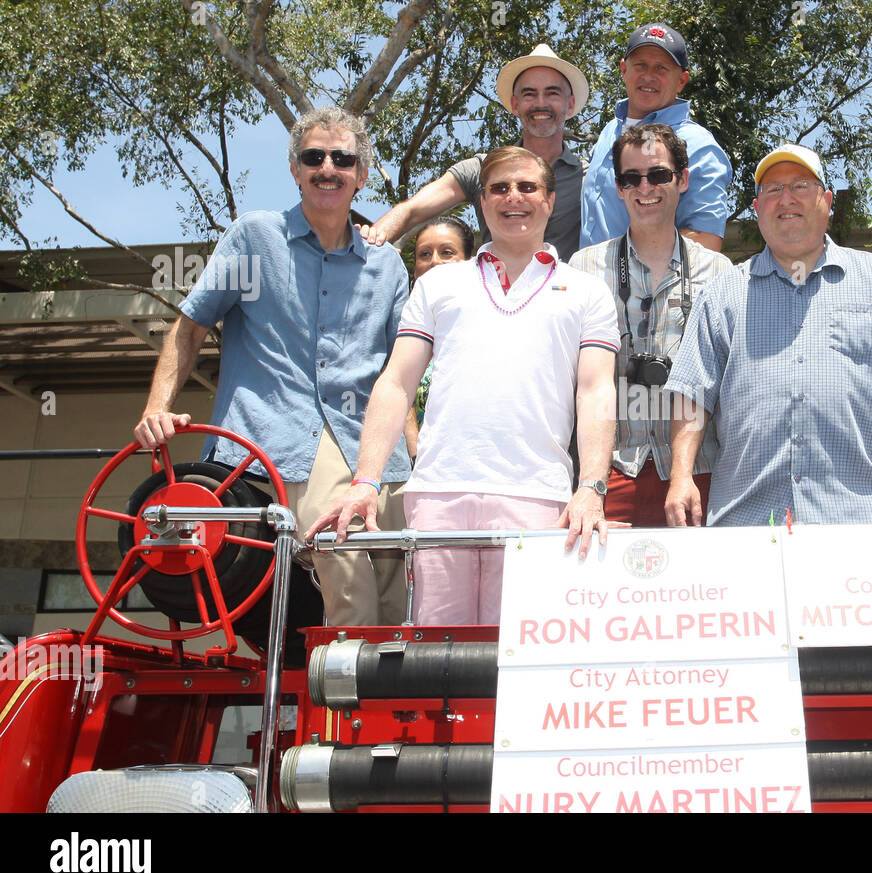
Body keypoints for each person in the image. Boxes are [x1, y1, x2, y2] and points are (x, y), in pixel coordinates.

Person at [307, 146, 620, 626]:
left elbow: (596, 392)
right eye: (498, 188)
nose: (512, 198)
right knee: (437, 663)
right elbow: (395, 383)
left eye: (527, 187)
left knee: (517, 661)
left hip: (538, 498)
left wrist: (592, 487)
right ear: (482, 202)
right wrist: (365, 481)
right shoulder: (437, 285)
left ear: (550, 202)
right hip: (439, 495)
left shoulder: (588, 292)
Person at [134, 107, 410, 626]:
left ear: (362, 174)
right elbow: (190, 326)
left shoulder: (386, 264)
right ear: (295, 170)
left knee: (404, 580)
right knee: (345, 561)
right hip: (284, 432)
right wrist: (156, 407)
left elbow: (397, 375)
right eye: (314, 157)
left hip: (377, 444)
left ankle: (399, 702)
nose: (328, 167)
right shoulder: (255, 237)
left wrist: (417, 457)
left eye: (342, 158)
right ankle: (353, 696)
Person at [663, 143, 872, 527]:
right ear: (757, 207)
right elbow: (691, 394)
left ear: (827, 200)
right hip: (746, 521)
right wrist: (681, 476)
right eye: (773, 190)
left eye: (800, 185)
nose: (787, 199)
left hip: (855, 519)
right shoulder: (722, 292)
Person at [568, 124, 733, 526]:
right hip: (611, 472)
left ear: (683, 179)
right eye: (632, 178)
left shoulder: (721, 272)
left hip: (699, 472)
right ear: (620, 187)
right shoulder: (582, 269)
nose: (646, 188)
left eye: (659, 174)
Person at [361, 44, 589, 259]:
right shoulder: (482, 168)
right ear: (514, 105)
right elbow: (412, 211)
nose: (540, 103)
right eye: (529, 94)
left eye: (552, 93)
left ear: (570, 104)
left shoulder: (590, 177)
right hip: (493, 295)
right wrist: (369, 243)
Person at [580, 23, 732, 251]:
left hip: (647, 285)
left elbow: (706, 240)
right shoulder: (609, 131)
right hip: (586, 280)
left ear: (682, 80)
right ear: (624, 70)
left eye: (661, 68)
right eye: (640, 65)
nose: (648, 77)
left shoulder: (699, 145)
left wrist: (630, 272)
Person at [402, 216, 476, 460]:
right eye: (424, 254)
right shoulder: (401, 326)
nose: (434, 261)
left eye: (446, 252)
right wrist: (415, 452)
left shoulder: (488, 323)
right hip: (416, 469)